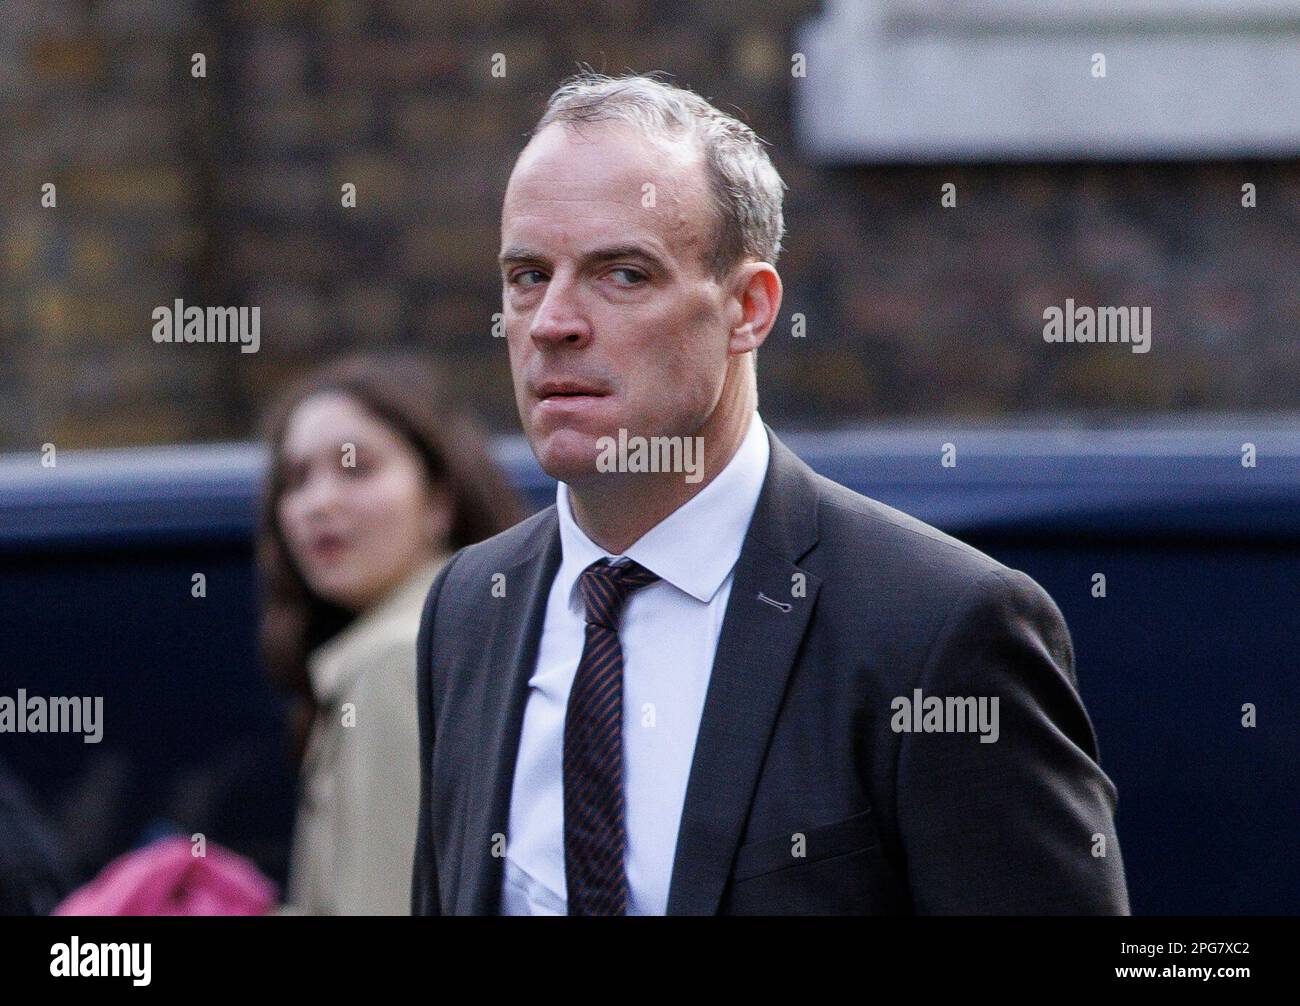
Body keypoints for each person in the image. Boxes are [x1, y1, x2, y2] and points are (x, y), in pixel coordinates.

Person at [411, 73, 1130, 915]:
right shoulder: (469, 607)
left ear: (749, 308)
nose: (552, 322)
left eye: (623, 275)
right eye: (528, 274)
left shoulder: (935, 628)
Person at [258, 354, 525, 914]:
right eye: (297, 478)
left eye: (357, 469)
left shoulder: (395, 662)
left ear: (439, 500)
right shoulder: (488, 629)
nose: (319, 503)